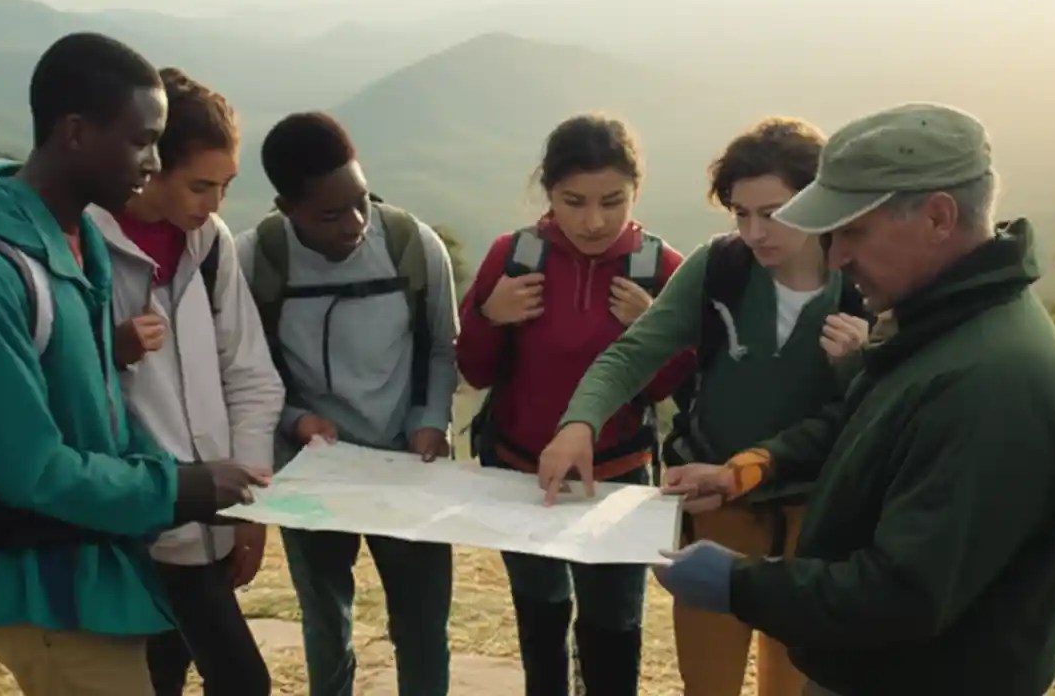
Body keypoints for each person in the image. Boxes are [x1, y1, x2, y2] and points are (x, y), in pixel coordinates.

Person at [654, 102, 1055, 696]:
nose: (836, 255)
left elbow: (901, 596)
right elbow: (857, 423)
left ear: (939, 217)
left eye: (853, 231)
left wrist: (737, 585)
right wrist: (749, 470)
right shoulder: (936, 326)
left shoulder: (991, 384)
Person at [0, 32, 267, 696]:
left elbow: (101, 415)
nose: (154, 161)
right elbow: (33, 471)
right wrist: (179, 489)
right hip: (44, 589)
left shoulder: (76, 247)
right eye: (143, 141)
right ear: (76, 133)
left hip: (99, 570)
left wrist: (189, 485)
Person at [535, 116, 872, 696]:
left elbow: (872, 412)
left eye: (774, 212)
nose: (756, 232)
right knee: (708, 683)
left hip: (815, 522)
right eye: (741, 213)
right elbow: (633, 354)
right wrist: (579, 422)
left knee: (793, 684)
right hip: (716, 511)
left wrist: (861, 366)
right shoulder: (721, 269)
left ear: (821, 204)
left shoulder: (865, 285)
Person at [456, 113, 693, 695]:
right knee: (541, 617)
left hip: (615, 479)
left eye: (613, 201)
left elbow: (670, 389)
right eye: (574, 201)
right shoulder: (514, 257)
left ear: (636, 192)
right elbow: (475, 370)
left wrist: (651, 331)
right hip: (520, 473)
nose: (594, 221)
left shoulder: (661, 270)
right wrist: (490, 317)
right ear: (548, 193)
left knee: (614, 629)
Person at [233, 112, 460, 696]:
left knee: (422, 620)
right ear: (287, 207)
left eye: (361, 200)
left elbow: (441, 347)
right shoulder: (257, 260)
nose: (355, 223)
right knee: (326, 616)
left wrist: (430, 421)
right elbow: (247, 370)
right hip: (313, 467)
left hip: (407, 462)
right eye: (330, 214)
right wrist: (295, 423)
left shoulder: (411, 244)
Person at [92, 67, 284, 696]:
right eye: (201, 185)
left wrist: (250, 507)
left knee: (166, 673)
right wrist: (110, 350)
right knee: (239, 681)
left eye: (226, 186)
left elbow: (250, 374)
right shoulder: (87, 242)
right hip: (139, 518)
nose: (215, 205)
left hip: (212, 512)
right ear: (151, 167)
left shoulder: (210, 243)